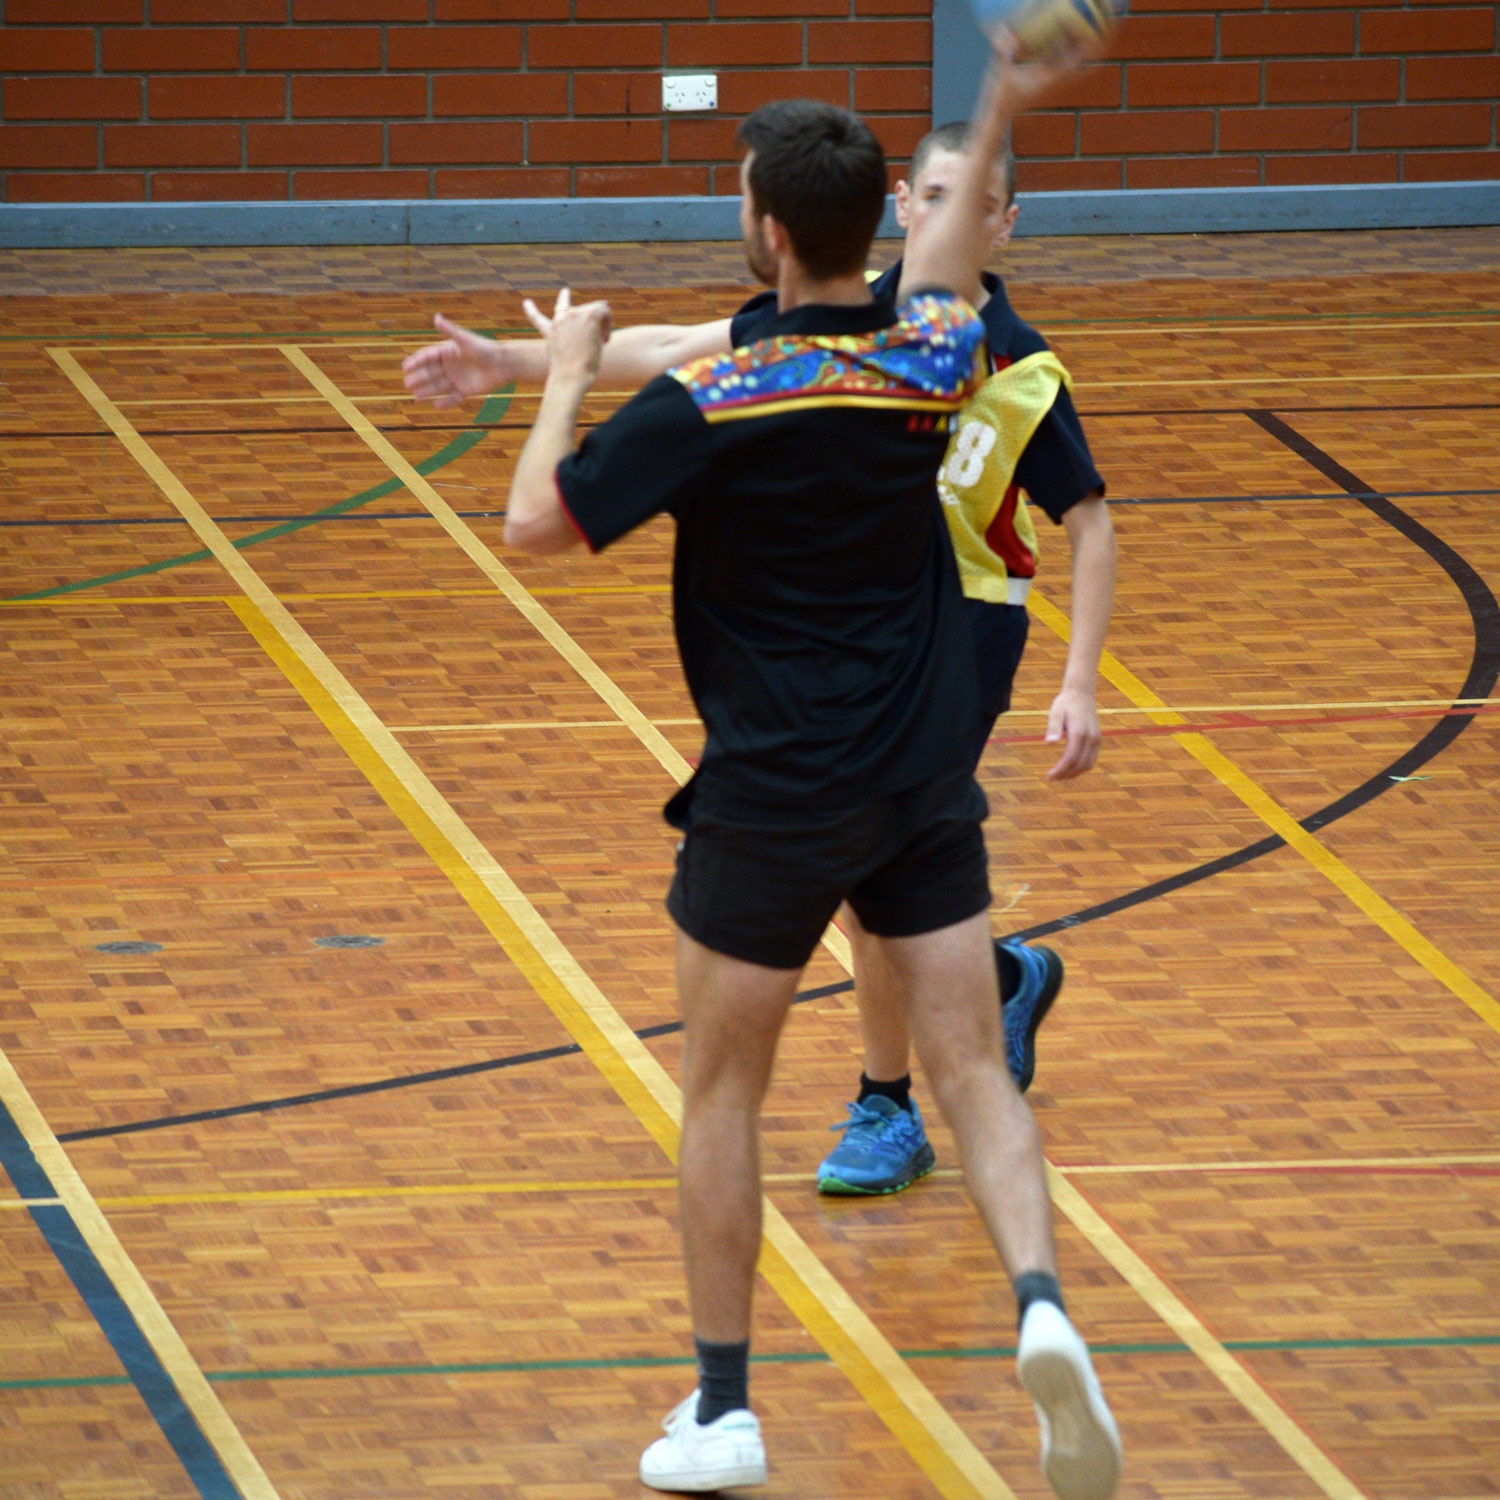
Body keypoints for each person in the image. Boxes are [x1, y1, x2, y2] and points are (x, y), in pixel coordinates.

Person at [494, 35, 1121, 1500]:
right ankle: (1041, 1307)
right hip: (918, 783)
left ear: (767, 229)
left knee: (723, 1097)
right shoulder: (934, 360)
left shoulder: (714, 402)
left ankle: (723, 1409)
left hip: (770, 798)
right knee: (972, 1072)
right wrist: (1011, 96)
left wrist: (561, 377)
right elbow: (960, 267)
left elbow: (536, 526)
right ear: (867, 227)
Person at [403, 126, 1117, 1201]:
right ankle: (995, 978)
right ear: (899, 208)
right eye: (929, 195)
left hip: (959, 629)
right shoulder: (841, 319)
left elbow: (1091, 521)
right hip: (846, 627)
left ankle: (888, 1102)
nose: (945, 215)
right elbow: (680, 345)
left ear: (1005, 224)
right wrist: (520, 362)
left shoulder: (1012, 361)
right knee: (864, 873)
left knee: (867, 873)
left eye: (970, 201)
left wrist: (1079, 680)